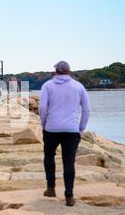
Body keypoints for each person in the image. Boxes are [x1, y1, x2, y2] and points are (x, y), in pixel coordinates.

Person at [39, 61, 90, 207]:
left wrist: (44, 124)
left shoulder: (47, 85)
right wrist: (81, 128)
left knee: (49, 156)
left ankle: (51, 189)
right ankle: (69, 195)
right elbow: (86, 110)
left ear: (56, 71)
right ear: (69, 71)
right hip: (71, 130)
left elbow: (42, 107)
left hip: (51, 128)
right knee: (69, 162)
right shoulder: (78, 86)